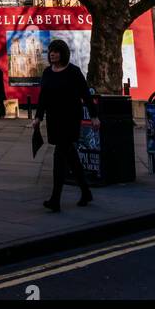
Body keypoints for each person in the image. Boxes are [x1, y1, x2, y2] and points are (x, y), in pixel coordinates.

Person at [33, 39, 94, 213]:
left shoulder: (73, 72)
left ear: (63, 53)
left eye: (56, 51)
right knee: (72, 157)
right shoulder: (47, 73)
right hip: (54, 119)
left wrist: (94, 115)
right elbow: (43, 97)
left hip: (70, 119)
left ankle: (55, 199)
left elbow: (85, 93)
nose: (52, 54)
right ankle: (86, 191)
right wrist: (38, 117)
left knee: (59, 156)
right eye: (51, 51)